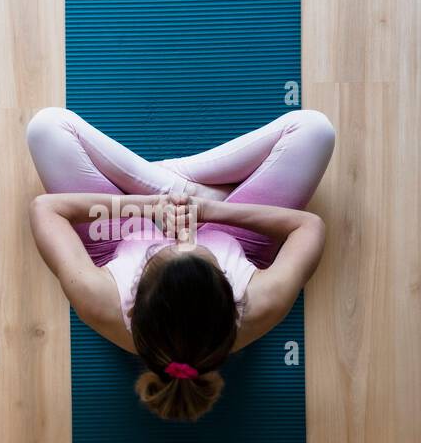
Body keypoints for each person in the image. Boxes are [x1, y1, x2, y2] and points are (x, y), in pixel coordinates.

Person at [26, 106, 335, 421]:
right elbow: (308, 226)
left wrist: (147, 205)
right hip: (236, 232)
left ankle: (169, 184)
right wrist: (209, 210)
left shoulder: (99, 298)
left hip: (121, 231)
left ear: (134, 299)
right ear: (231, 294)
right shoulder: (262, 303)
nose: (181, 237)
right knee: (315, 130)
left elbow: (46, 209)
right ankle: (193, 189)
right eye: (195, 247)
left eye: (167, 249)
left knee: (46, 128)